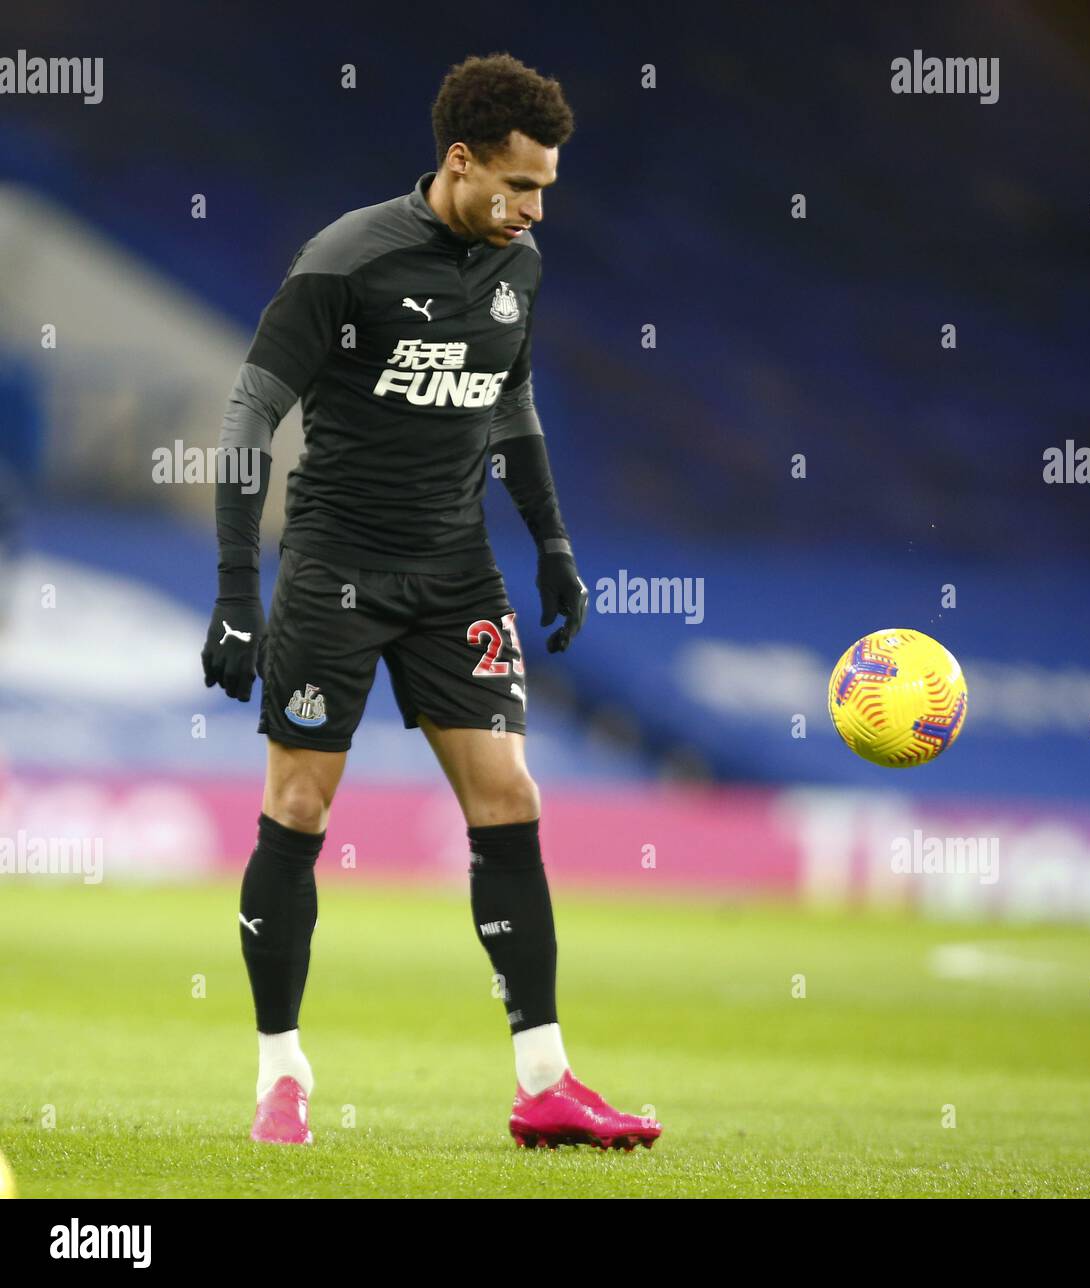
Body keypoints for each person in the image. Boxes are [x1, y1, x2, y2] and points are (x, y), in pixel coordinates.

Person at [201, 53, 660, 1151]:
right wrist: (233, 589)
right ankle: (282, 1075)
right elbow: (246, 417)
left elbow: (510, 407)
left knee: (509, 795)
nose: (536, 209)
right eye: (520, 185)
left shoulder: (520, 264)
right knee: (300, 810)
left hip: (457, 574)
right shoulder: (346, 262)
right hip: (337, 568)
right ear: (460, 162)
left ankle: (544, 1081)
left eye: (546, 188)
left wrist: (550, 543)